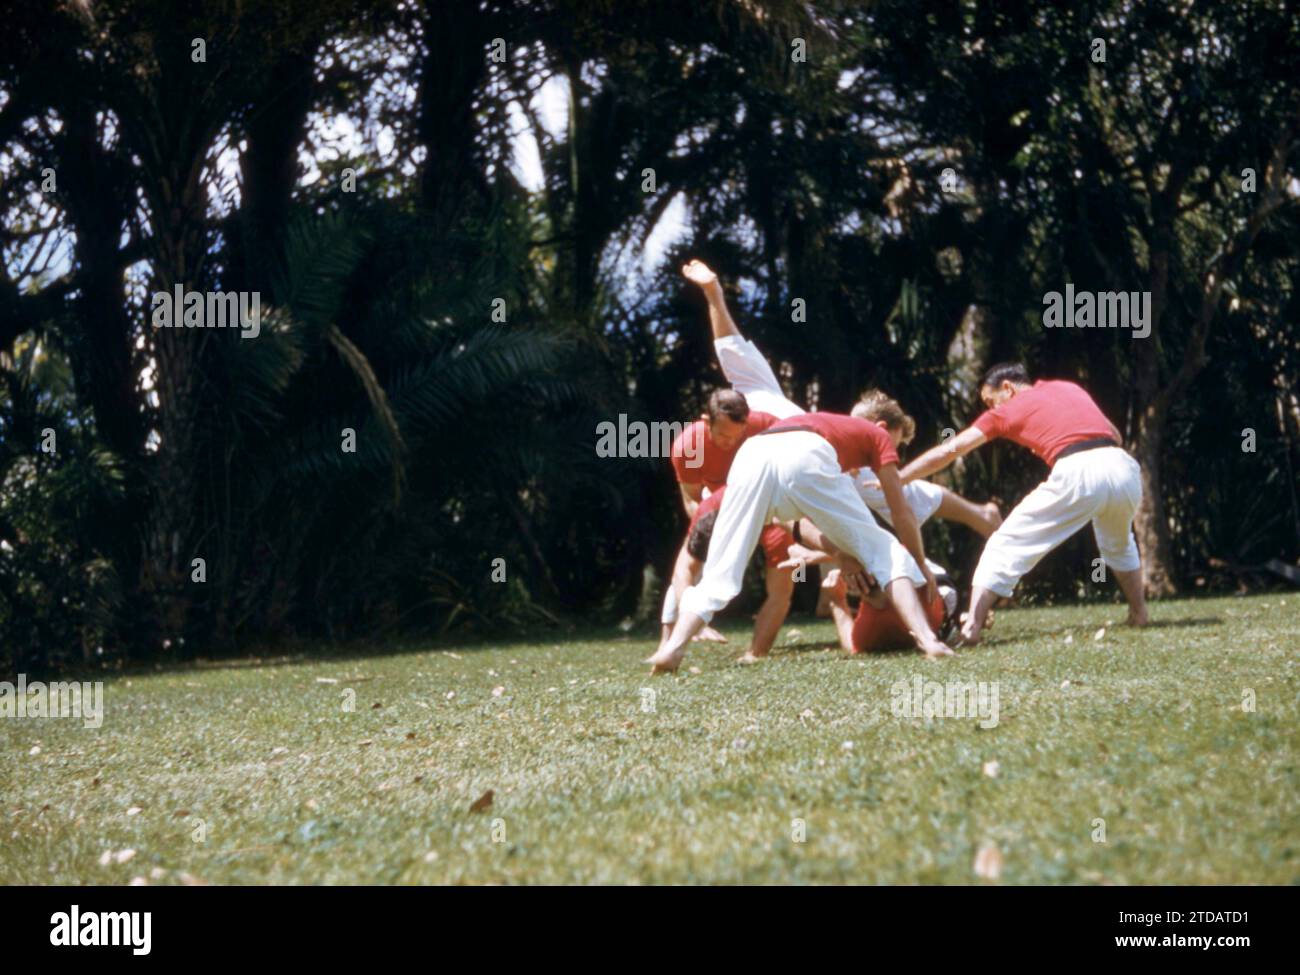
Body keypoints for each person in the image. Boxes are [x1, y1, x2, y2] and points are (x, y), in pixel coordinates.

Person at [648, 410, 954, 673]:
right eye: (898, 447)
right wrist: (919, 563)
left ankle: (673, 648)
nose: (891, 459)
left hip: (752, 454)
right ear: (885, 427)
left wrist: (838, 551)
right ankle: (929, 641)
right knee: (885, 551)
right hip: (804, 450)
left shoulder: (823, 425)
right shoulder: (876, 435)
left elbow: (794, 522)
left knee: (720, 571)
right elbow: (901, 512)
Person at [899, 362, 1149, 645]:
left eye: (990, 402)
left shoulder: (1006, 411)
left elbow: (951, 449)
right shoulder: (1068, 387)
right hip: (1123, 467)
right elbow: (1114, 433)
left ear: (1007, 388)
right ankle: (1139, 613)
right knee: (1118, 542)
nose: (991, 410)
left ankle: (973, 627)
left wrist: (899, 478)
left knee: (1005, 543)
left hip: (1079, 470)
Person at [658, 259, 806, 650]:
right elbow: (691, 500)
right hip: (726, 496)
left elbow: (728, 339)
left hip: (779, 483)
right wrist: (712, 531)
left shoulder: (769, 418)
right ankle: (675, 631)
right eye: (721, 437)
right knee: (691, 553)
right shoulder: (690, 444)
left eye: (734, 437)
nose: (728, 443)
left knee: (814, 544)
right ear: (707, 421)